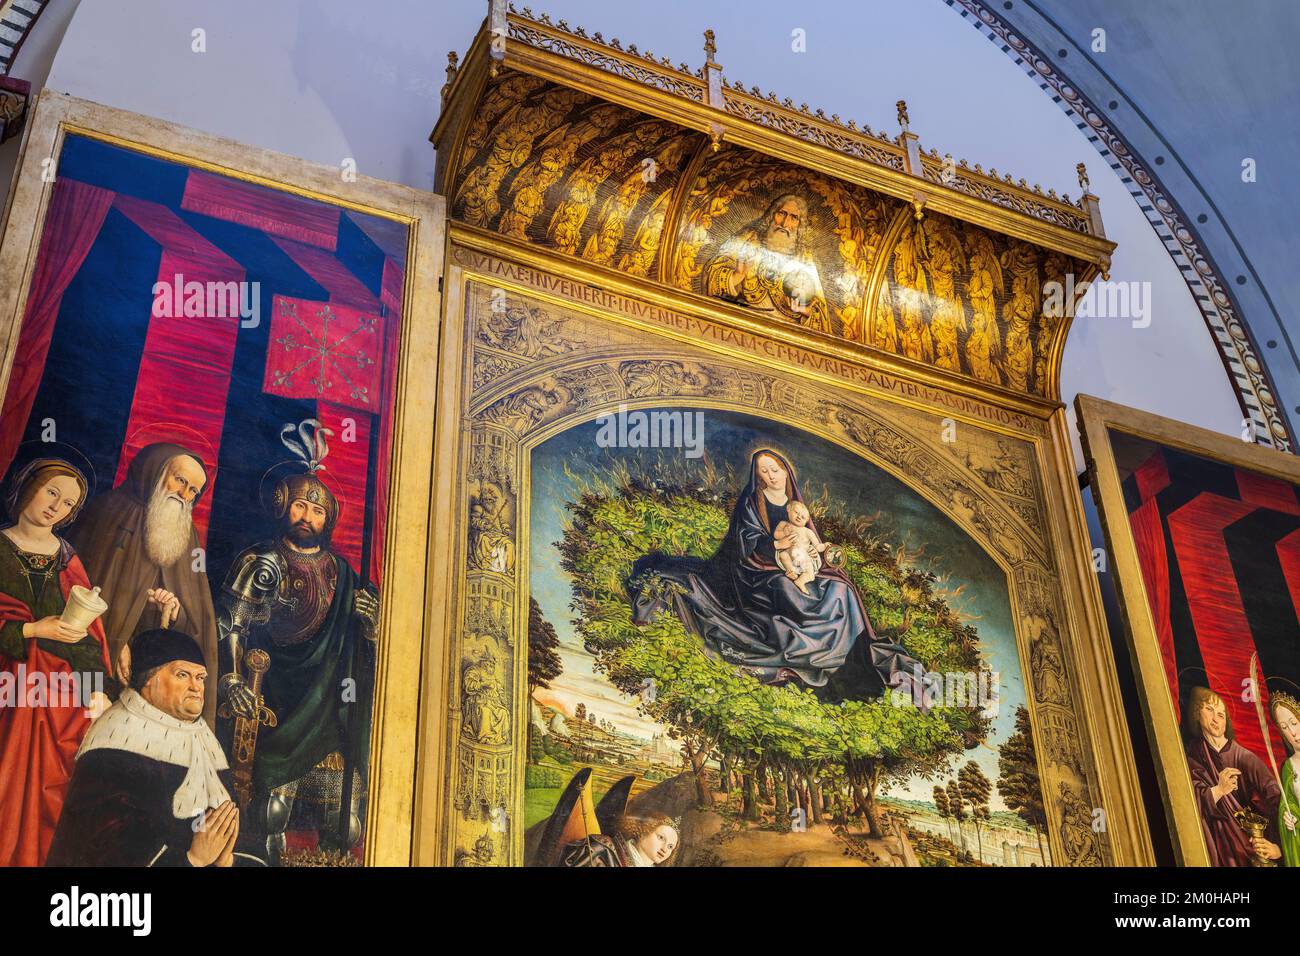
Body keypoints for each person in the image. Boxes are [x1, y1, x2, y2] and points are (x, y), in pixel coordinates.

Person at [628, 449, 919, 702]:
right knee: (786, 587)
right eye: (764, 471)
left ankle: (847, 652)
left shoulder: (796, 503)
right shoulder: (753, 502)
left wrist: (820, 554)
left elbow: (810, 538)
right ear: (758, 475)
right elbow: (744, 546)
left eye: (775, 470)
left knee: (843, 589)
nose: (770, 476)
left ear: (785, 471)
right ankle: (804, 649)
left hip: (800, 564)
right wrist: (778, 550)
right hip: (755, 572)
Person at [217, 471, 378, 864]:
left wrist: (372, 624)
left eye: (318, 510)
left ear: (328, 520)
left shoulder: (343, 575)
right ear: (281, 505)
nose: (308, 516)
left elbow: (364, 642)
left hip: (331, 705)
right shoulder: (261, 562)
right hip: (276, 699)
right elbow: (231, 624)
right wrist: (233, 679)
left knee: (347, 822)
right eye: (300, 505)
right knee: (272, 815)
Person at [46, 628, 240, 867]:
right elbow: (105, 855)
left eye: (200, 678)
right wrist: (193, 860)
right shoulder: (112, 745)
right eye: (182, 675)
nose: (196, 687)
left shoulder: (203, 737)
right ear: (149, 680)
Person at [0, 459, 114, 866]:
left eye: (68, 503)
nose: (56, 507)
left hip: (58, 695)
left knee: (56, 788)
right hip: (7, 691)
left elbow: (88, 640)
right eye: (52, 492)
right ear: (29, 485)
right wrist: (32, 631)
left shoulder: (67, 559)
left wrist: (95, 692)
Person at [67, 442, 219, 725]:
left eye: (193, 491)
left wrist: (173, 613)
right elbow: (76, 589)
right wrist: (116, 641)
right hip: (92, 654)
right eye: (180, 480)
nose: (184, 494)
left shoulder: (187, 537)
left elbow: (197, 623)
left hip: (149, 670)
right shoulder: (108, 511)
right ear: (156, 470)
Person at [1182, 686, 1282, 866]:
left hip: (1245, 845)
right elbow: (1185, 804)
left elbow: (1277, 799)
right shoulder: (1191, 755)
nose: (1215, 719)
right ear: (1197, 712)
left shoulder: (1243, 757)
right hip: (1211, 845)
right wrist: (1218, 790)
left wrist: (1277, 846)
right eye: (1209, 710)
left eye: (1221, 715)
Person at [703, 194, 832, 334]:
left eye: (793, 218)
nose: (784, 224)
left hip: (783, 336)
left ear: (800, 225)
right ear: (772, 215)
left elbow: (819, 312)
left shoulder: (804, 258)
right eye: (781, 214)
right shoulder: (748, 239)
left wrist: (805, 311)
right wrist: (736, 276)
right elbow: (711, 273)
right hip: (740, 325)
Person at [559, 814, 679, 867]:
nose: (664, 849)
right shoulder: (602, 851)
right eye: (661, 838)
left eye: (670, 847)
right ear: (643, 831)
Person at [1269, 691, 1300, 866]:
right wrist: (1290, 818)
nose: (1293, 733)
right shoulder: (1288, 767)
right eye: (1284, 727)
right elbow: (1288, 805)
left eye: (1294, 723)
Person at [773, 500, 827, 596]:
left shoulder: (808, 532)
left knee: (810, 575)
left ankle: (798, 578)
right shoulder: (783, 524)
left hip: (802, 557)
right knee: (783, 555)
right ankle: (793, 574)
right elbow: (776, 535)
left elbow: (818, 547)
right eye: (796, 512)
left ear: (807, 521)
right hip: (789, 553)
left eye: (803, 517)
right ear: (789, 509)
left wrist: (825, 546)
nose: (799, 517)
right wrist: (784, 533)